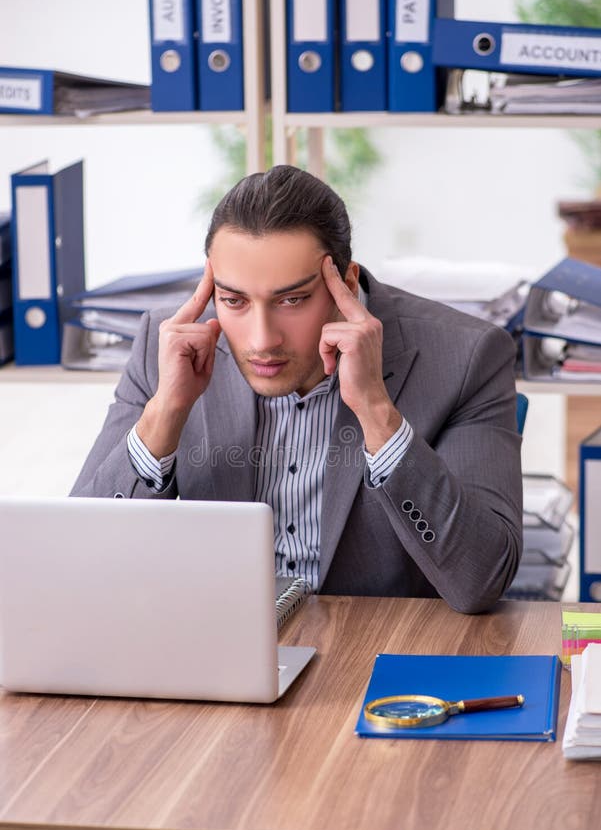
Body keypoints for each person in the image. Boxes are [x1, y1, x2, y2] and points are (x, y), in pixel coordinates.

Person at [71, 165, 522, 612]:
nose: (262, 339)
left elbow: (480, 580)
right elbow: (76, 562)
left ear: (344, 283)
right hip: (214, 645)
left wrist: (376, 412)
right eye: (233, 300)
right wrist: (165, 411)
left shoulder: (467, 357)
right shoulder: (164, 344)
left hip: (377, 655)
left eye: (292, 301)